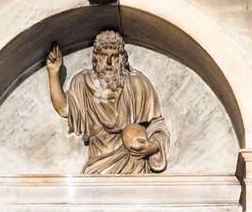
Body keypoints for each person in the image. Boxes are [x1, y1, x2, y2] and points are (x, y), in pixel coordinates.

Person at [45, 31, 171, 175]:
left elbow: (157, 123)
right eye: (104, 56)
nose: (109, 62)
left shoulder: (138, 84)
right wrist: (53, 73)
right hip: (98, 163)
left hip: (133, 164)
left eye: (114, 56)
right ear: (96, 58)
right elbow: (64, 109)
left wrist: (154, 146)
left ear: (122, 58)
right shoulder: (83, 83)